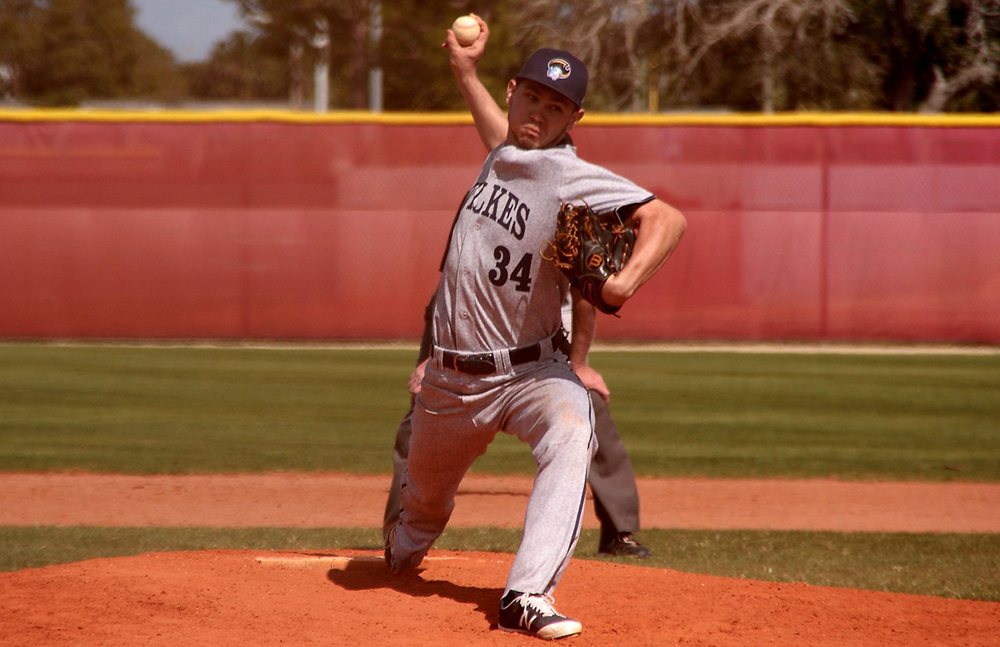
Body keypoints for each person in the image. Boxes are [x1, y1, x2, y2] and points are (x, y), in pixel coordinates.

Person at [384, 16, 686, 640]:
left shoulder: (569, 174)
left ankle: (526, 594)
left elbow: (667, 218)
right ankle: (406, 542)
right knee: (422, 515)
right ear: (514, 92)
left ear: (575, 118)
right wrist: (464, 72)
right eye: (532, 97)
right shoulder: (506, 153)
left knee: (573, 428)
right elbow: (499, 132)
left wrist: (622, 285)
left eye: (556, 107)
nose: (539, 113)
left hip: (531, 371)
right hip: (451, 380)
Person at [383, 290, 653, 560]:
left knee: (588, 411)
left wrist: (579, 364)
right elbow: (453, 284)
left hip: (547, 339)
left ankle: (620, 531)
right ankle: (399, 532)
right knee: (422, 415)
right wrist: (436, 354)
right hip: (469, 334)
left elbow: (584, 292)